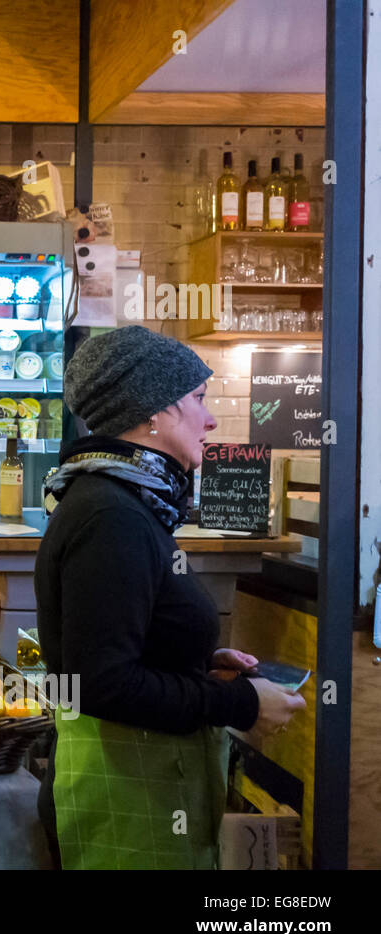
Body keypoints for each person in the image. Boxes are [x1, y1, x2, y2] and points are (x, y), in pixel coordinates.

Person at [34, 325, 305, 869]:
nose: (210, 420)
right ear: (151, 413)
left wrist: (194, 660)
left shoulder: (126, 501)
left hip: (142, 789)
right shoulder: (112, 514)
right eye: (198, 401)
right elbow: (102, 682)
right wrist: (242, 704)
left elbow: (114, 641)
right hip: (125, 795)